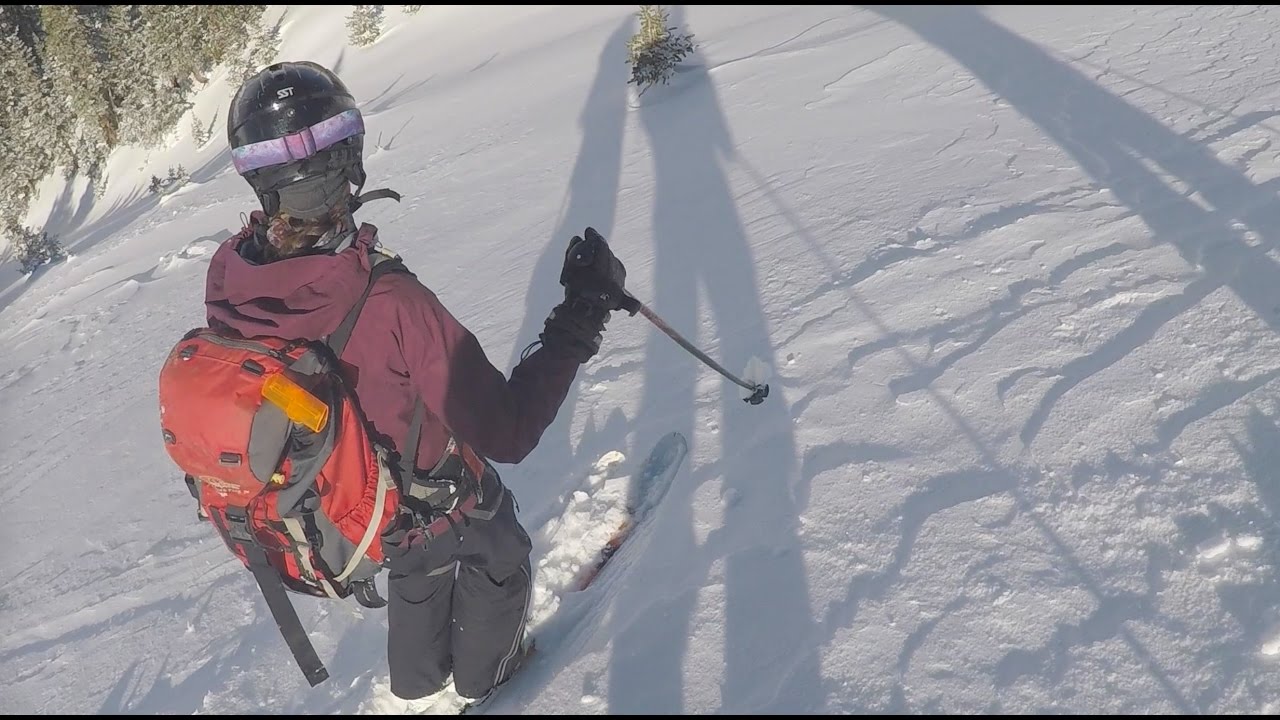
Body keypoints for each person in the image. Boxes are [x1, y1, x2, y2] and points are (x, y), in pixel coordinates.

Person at [205, 61, 629, 705]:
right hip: (430, 500)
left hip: (341, 509)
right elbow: (508, 431)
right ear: (350, 160)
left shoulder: (230, 278)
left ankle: (420, 686)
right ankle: (496, 679)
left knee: (417, 565)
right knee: (495, 547)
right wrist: (579, 319)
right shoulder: (389, 300)